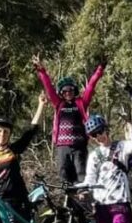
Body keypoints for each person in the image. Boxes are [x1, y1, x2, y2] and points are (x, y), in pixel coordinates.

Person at [0, 98, 46, 220]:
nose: (2, 134)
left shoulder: (14, 149)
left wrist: (41, 105)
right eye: (0, 131)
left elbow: (32, 131)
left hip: (17, 200)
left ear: (9, 134)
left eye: (6, 132)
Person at [33, 57, 104, 185]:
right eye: (64, 91)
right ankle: (68, 203)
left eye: (70, 90)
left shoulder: (81, 103)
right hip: (62, 146)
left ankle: (82, 201)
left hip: (79, 146)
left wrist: (99, 70)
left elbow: (91, 86)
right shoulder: (58, 103)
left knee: (81, 176)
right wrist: (41, 71)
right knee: (64, 176)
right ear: (61, 93)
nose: (68, 93)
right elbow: (48, 87)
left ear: (74, 90)